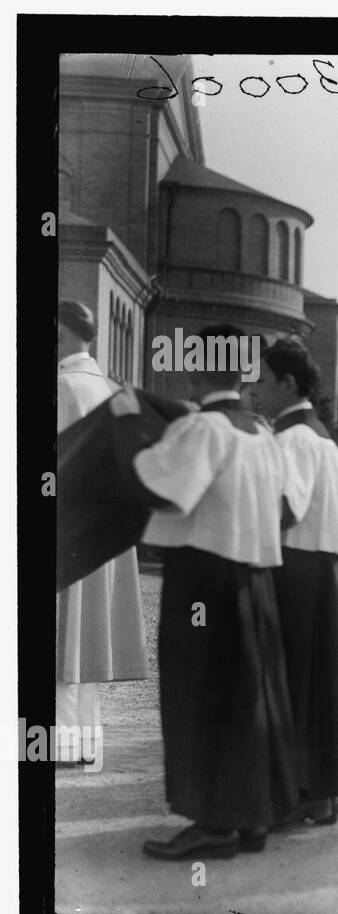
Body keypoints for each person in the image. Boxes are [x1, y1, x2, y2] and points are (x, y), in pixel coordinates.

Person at [108, 324, 298, 859]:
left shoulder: (205, 430)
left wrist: (126, 424)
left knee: (201, 699)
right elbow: (285, 510)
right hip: (255, 581)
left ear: (195, 367)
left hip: (204, 581)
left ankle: (214, 823)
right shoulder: (260, 431)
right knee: (249, 699)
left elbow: (158, 490)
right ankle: (251, 817)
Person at [250, 335, 338, 828]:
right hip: (324, 569)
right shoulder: (316, 434)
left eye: (260, 382)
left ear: (287, 382)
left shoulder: (292, 439)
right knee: (324, 682)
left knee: (299, 681)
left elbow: (282, 508)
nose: (252, 392)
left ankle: (304, 792)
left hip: (298, 570)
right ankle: (321, 791)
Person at [55, 299, 148, 767]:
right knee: (85, 638)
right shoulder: (112, 389)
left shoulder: (63, 386)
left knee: (62, 638)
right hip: (104, 533)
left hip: (67, 531)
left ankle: (61, 743)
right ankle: (82, 739)